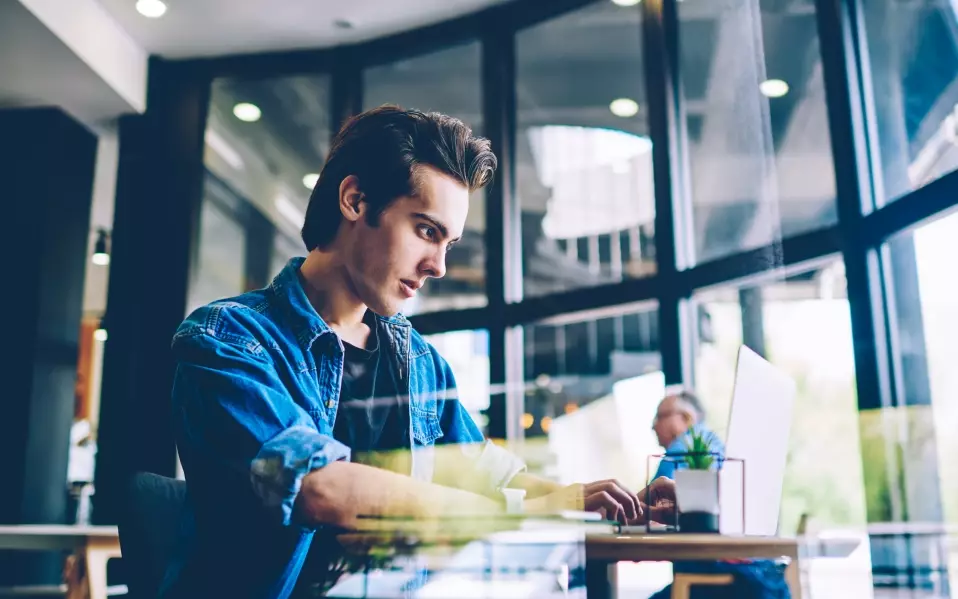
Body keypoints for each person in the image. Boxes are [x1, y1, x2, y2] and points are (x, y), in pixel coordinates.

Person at [161, 106, 675, 599]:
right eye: (427, 231)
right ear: (356, 201)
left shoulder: (421, 365)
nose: (439, 266)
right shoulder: (227, 338)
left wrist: (600, 500)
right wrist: (521, 513)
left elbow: (499, 480)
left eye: (448, 243)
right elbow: (320, 488)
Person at [652, 388, 725, 481]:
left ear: (686, 417)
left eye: (660, 417)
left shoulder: (678, 451)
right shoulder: (718, 444)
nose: (654, 426)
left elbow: (656, 492)